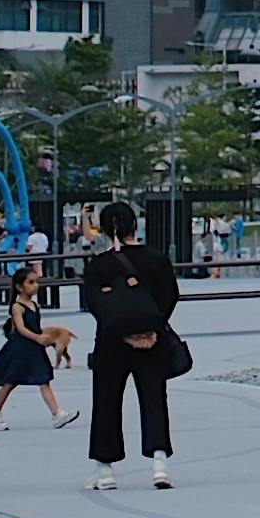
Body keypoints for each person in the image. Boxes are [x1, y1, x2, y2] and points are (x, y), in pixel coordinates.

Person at [77, 199, 180, 490]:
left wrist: (120, 328)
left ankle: (105, 469)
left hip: (111, 341)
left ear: (106, 230)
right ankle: (159, 462)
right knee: (153, 397)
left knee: (107, 399)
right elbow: (170, 295)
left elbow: (95, 305)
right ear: (135, 224)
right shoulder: (157, 259)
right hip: (153, 339)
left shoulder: (99, 266)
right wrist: (153, 325)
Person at [0, 257, 73, 430]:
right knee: (10, 381)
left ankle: (57, 414)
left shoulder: (33, 304)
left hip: (33, 349)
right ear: (19, 287)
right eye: (31, 282)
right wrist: (37, 337)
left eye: (36, 282)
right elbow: (21, 328)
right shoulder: (18, 306)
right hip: (20, 349)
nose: (35, 286)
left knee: (44, 379)